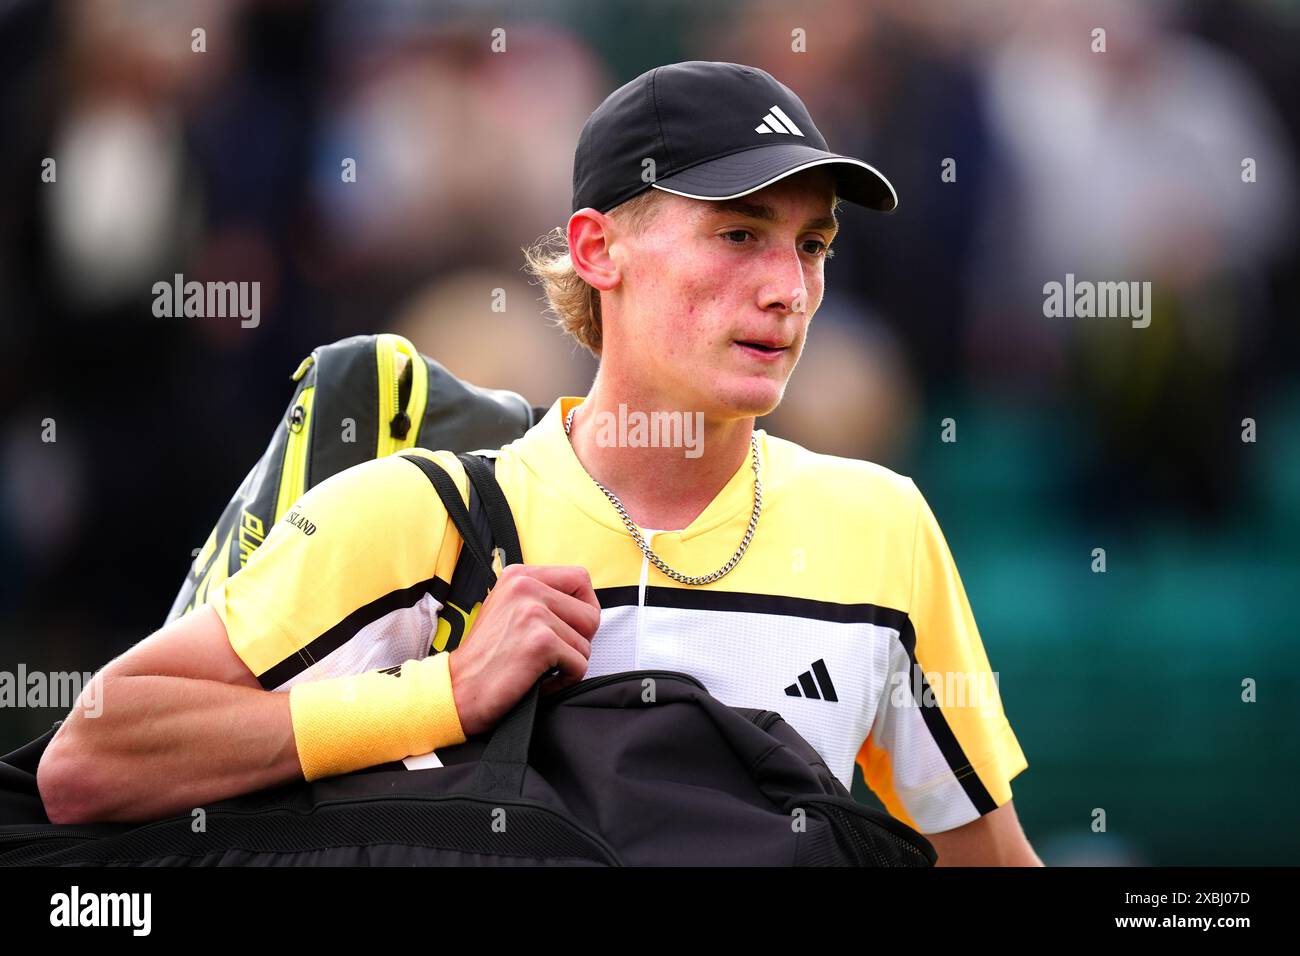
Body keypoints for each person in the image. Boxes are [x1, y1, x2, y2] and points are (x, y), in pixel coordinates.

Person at [38, 61, 1039, 865]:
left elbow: (982, 851)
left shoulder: (883, 524)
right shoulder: (420, 513)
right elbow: (91, 754)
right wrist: (447, 693)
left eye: (811, 245)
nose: (787, 287)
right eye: (739, 234)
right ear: (598, 249)